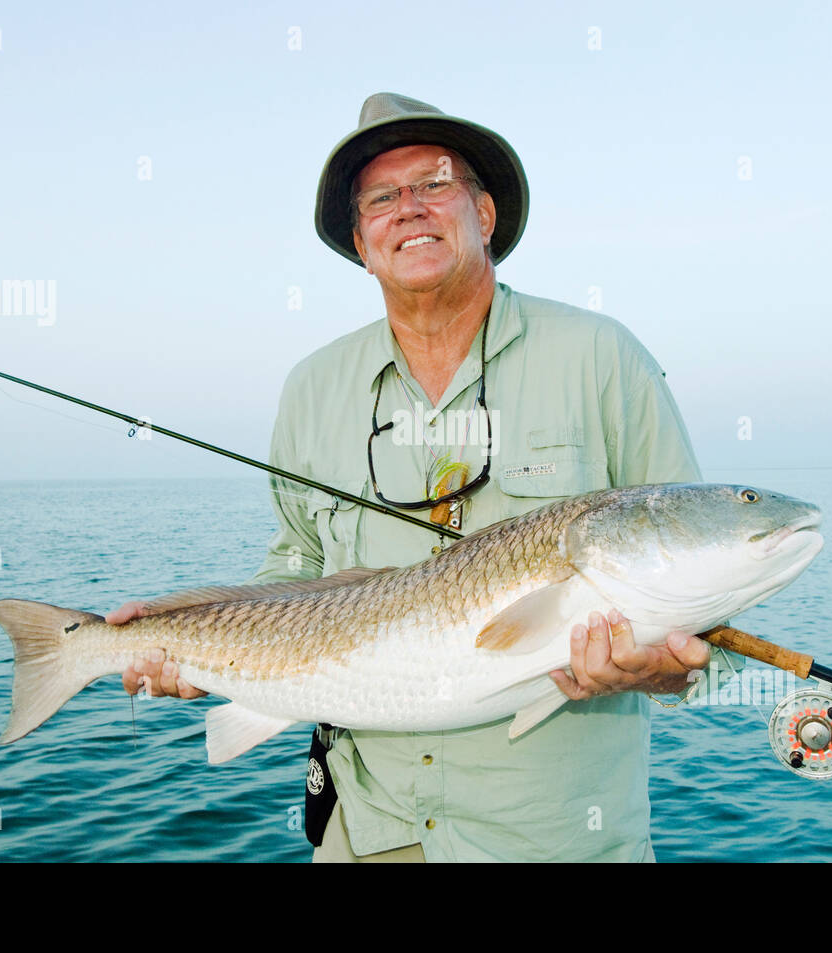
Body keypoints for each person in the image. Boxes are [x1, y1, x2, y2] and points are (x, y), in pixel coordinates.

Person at [109, 93, 741, 862]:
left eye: (435, 184)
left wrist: (664, 670)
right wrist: (189, 638)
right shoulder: (313, 386)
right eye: (381, 197)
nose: (409, 209)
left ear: (485, 213)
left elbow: (704, 600)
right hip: (370, 829)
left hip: (558, 838)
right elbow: (293, 567)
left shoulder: (602, 356)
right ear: (360, 239)